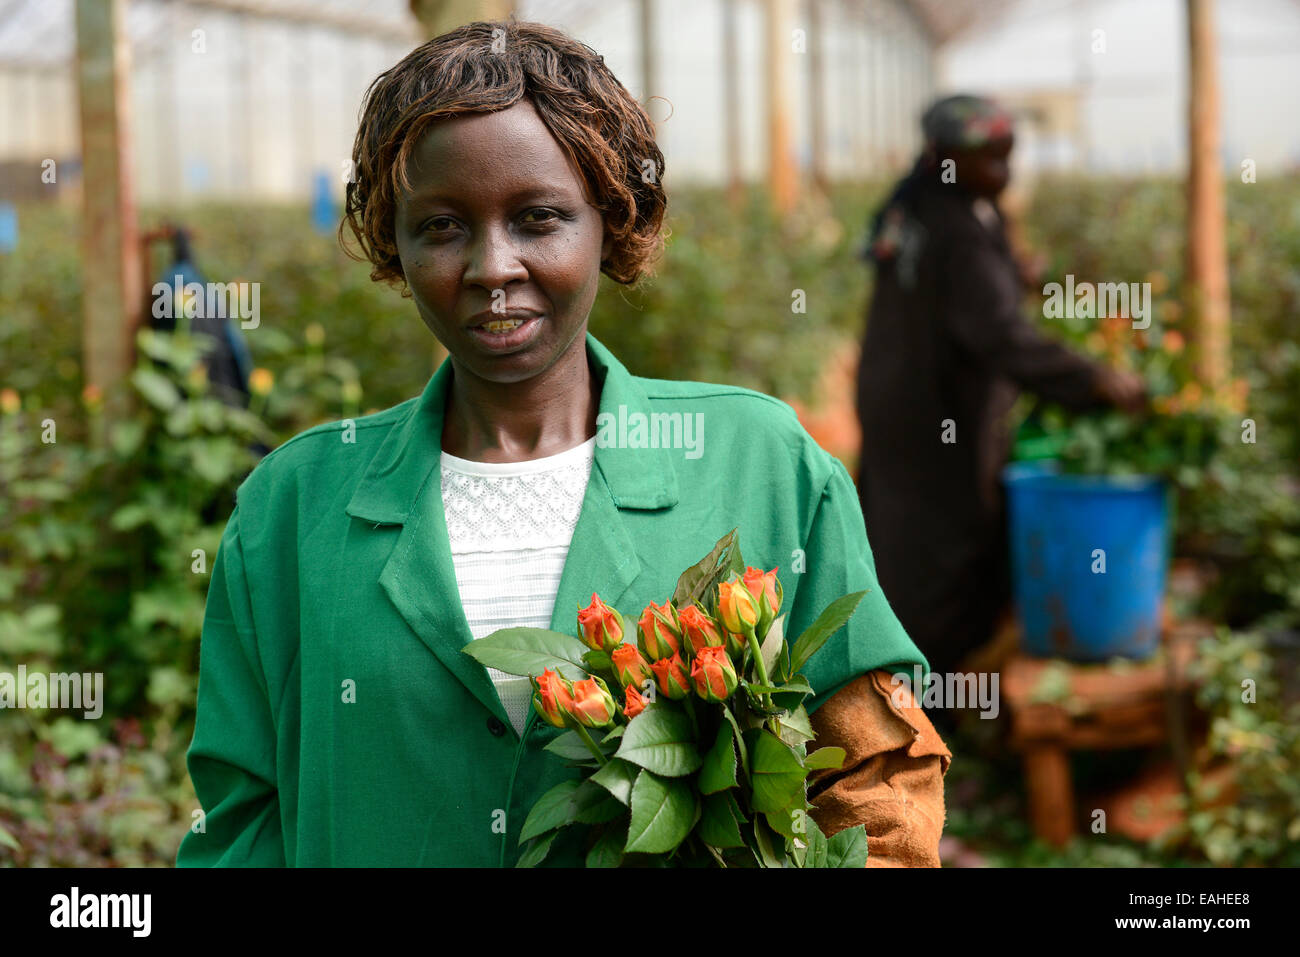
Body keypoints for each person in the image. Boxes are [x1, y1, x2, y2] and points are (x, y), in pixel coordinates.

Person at [176, 20, 950, 868]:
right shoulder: (293, 506)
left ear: (610, 222)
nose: (491, 266)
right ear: (389, 240)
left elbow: (883, 772)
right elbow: (241, 822)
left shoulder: (761, 465)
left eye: (539, 217)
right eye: (441, 226)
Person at [855, 95, 1146, 703]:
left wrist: (1013, 273)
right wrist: (1093, 380)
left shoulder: (926, 207)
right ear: (947, 158)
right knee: (944, 554)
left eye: (1007, 154)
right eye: (986, 157)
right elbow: (999, 334)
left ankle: (920, 705)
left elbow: (966, 288)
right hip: (936, 415)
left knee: (907, 543)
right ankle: (933, 717)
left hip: (900, 402)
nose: (1002, 169)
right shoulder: (958, 227)